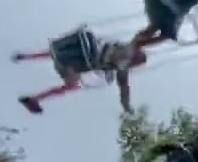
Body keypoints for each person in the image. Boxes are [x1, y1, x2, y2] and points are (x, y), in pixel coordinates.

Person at [12, 26, 146, 114]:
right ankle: (35, 97)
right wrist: (126, 107)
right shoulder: (122, 61)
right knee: (73, 85)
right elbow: (124, 88)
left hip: (74, 62)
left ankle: (27, 59)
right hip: (77, 63)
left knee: (71, 80)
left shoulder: (119, 47)